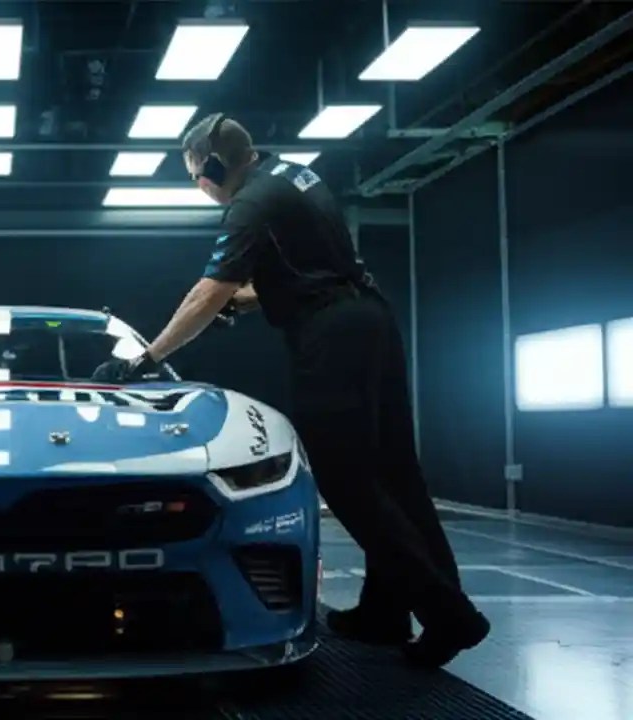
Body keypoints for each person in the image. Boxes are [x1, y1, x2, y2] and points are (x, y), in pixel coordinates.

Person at [92, 113, 489, 669]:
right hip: (370, 319)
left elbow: (207, 292)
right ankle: (385, 612)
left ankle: (451, 617)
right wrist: (250, 299)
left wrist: (148, 357)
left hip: (333, 339)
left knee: (348, 481)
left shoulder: (249, 204)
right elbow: (306, 267)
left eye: (194, 174)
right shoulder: (294, 175)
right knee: (395, 476)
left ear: (211, 166)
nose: (197, 186)